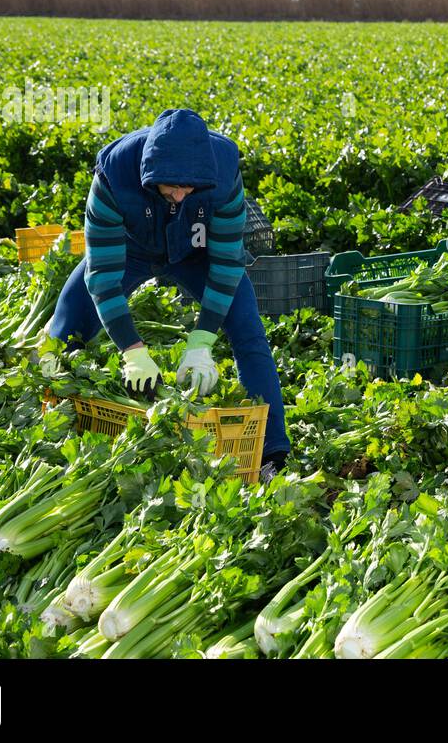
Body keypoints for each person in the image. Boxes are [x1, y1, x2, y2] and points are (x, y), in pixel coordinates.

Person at [44, 108, 291, 481]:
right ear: (148, 173)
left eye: (189, 187)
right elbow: (103, 277)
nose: (179, 194)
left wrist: (202, 339)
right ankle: (49, 423)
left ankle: (271, 453)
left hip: (196, 251)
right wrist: (132, 349)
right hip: (131, 249)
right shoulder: (113, 174)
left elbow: (226, 266)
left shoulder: (223, 173)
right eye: (169, 186)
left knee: (247, 329)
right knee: (66, 327)